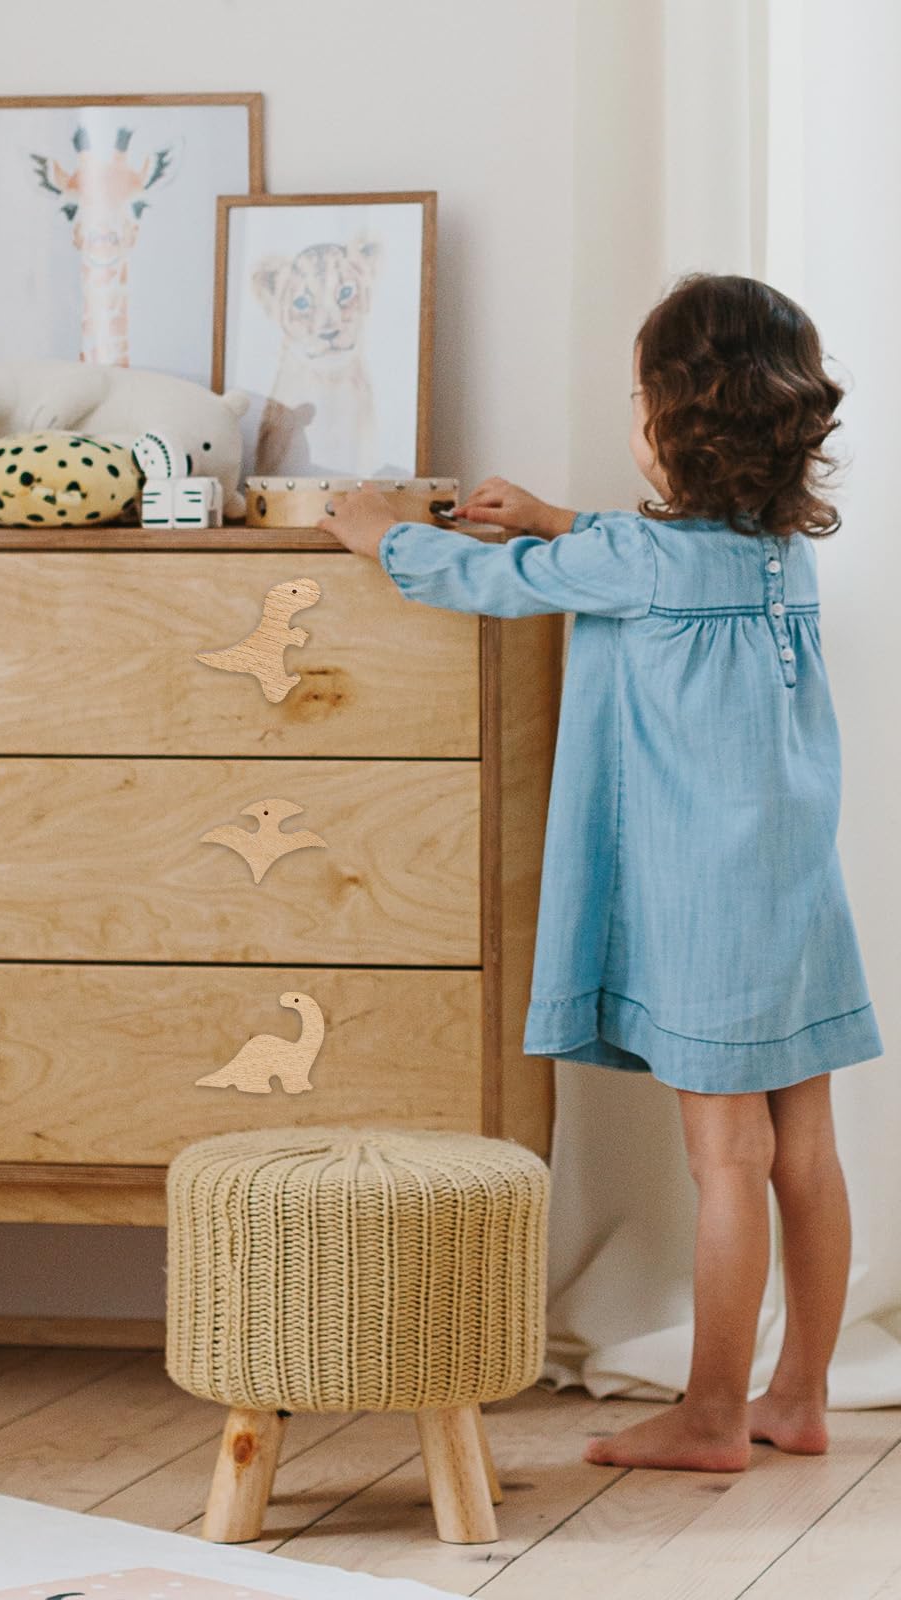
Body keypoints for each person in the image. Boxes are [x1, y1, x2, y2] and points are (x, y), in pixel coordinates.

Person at [318, 273, 881, 1472]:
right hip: (791, 883)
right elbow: (642, 561)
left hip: (706, 899)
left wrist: (380, 533)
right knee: (804, 1153)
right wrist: (553, 516)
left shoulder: (639, 556)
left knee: (724, 1160)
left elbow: (489, 583)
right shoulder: (778, 551)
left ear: (674, 418)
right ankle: (797, 1395)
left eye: (637, 396)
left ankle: (711, 1415)